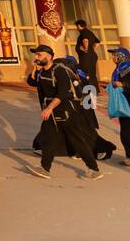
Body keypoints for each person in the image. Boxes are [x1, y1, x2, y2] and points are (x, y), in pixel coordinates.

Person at [25, 44, 102, 179]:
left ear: (49, 56)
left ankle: (94, 169)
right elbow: (32, 82)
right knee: (48, 139)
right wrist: (33, 67)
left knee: (77, 140)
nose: (36, 57)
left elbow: (62, 94)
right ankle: (45, 168)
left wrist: (49, 108)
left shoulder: (59, 71)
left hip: (67, 112)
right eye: (36, 55)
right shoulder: (42, 72)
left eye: (39, 54)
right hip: (51, 113)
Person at [108, 47, 130, 165]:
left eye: (115, 54)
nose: (113, 57)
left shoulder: (129, 69)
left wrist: (123, 84)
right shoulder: (118, 70)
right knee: (126, 132)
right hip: (125, 105)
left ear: (122, 56)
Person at [75, 20, 102, 88]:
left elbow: (85, 40)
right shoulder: (90, 32)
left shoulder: (83, 32)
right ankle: (95, 89)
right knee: (92, 73)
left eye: (77, 26)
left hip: (86, 57)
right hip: (92, 55)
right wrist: (92, 49)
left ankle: (88, 89)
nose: (76, 28)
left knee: (85, 73)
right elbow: (98, 42)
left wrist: (86, 49)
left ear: (79, 26)